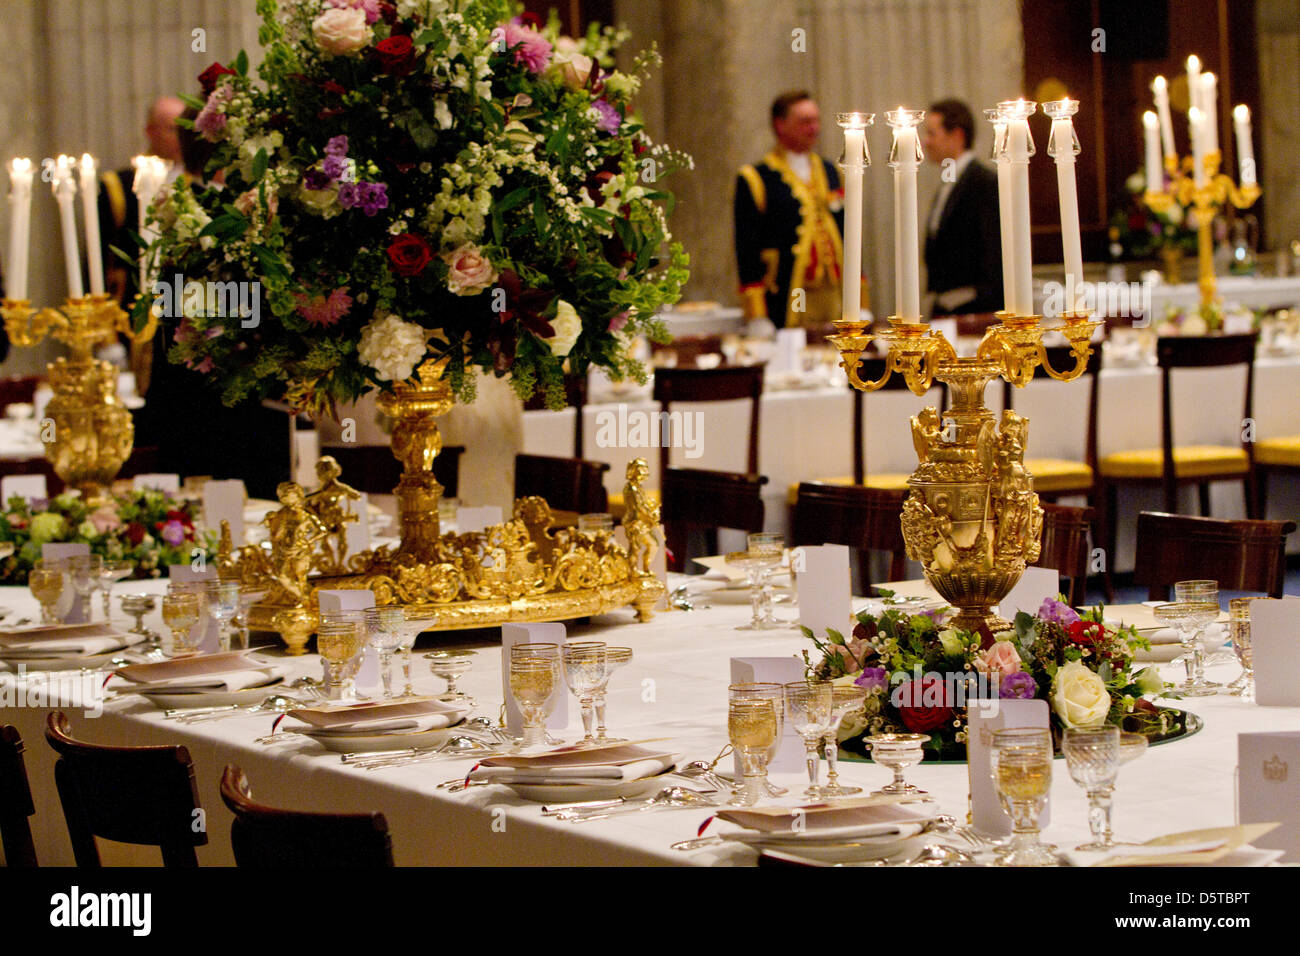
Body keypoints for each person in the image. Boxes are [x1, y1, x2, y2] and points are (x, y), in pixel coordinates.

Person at [733, 91, 865, 329]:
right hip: (786, 294)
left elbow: (851, 235)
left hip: (834, 293)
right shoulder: (756, 178)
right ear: (780, 125)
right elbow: (747, 249)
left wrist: (861, 298)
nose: (814, 128)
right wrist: (757, 314)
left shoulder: (832, 171)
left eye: (816, 120)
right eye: (805, 121)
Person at [922, 99, 1003, 316]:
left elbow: (994, 253)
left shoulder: (985, 183)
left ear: (957, 135)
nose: (926, 141)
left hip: (973, 312)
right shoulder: (949, 182)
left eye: (932, 133)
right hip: (946, 308)